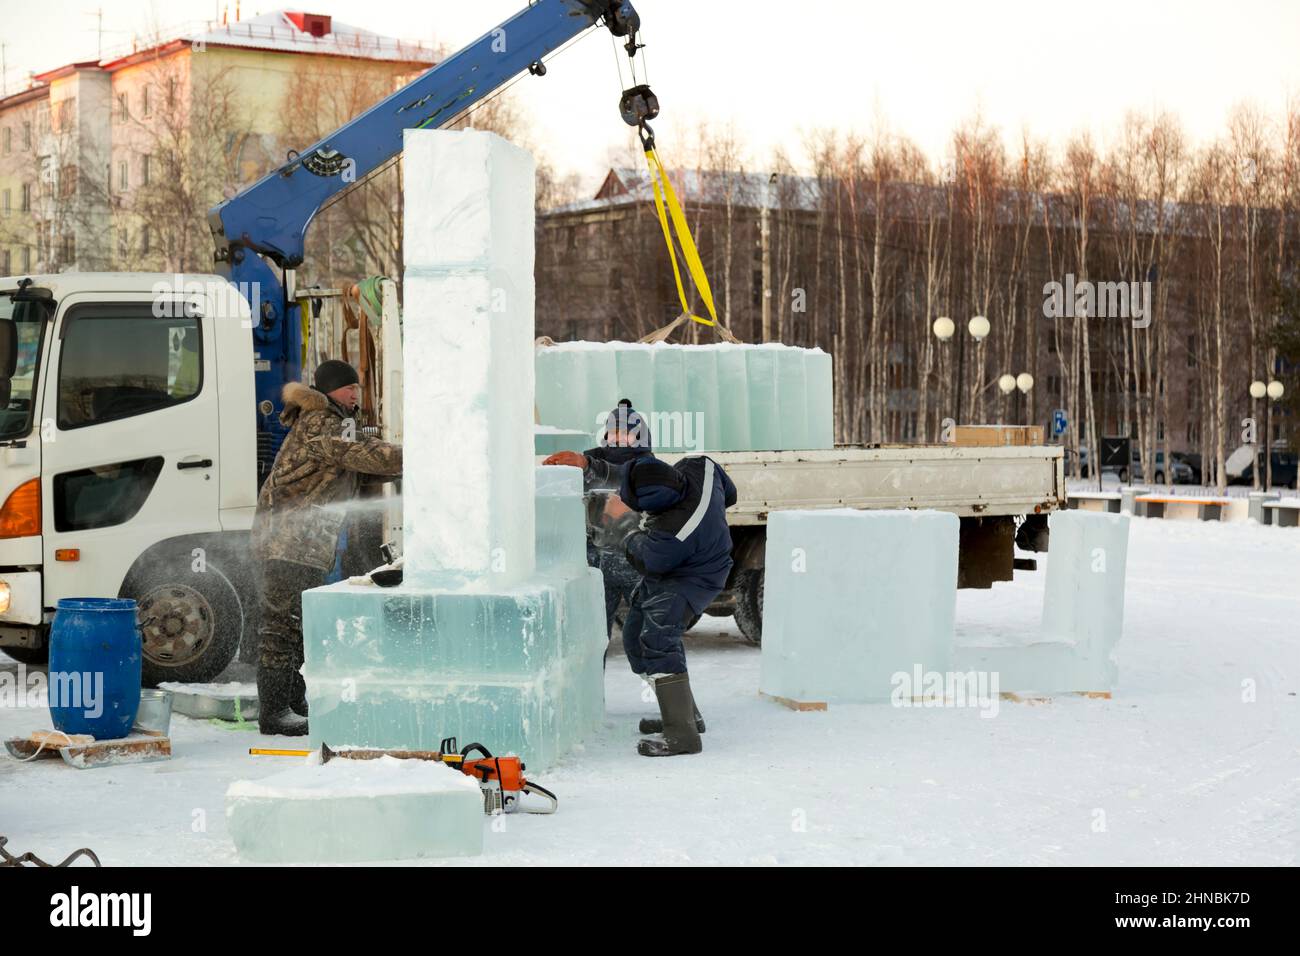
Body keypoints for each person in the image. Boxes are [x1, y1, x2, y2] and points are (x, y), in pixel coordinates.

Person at [549, 447, 736, 757]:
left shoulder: (672, 534)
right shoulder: (700, 466)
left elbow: (649, 559)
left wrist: (622, 528)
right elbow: (729, 493)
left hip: (696, 576)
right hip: (682, 558)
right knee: (634, 635)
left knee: (657, 638)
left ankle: (682, 734)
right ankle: (686, 714)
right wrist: (589, 465)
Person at [250, 359, 402, 735]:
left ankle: (294, 701)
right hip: (287, 541)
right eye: (349, 388)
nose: (355, 395)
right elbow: (362, 454)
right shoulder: (320, 422)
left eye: (357, 388)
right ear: (330, 390)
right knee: (281, 627)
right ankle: (273, 712)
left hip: (306, 544)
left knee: (300, 626)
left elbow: (363, 464)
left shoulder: (336, 423)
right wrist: (424, 455)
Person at [544, 399, 654, 636]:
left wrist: (587, 465)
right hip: (596, 563)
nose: (618, 438)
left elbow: (623, 476)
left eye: (625, 433)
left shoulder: (648, 465)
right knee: (593, 636)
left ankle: (659, 672)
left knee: (648, 634)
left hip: (635, 562)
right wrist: (556, 471)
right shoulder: (590, 458)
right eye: (613, 432)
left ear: (639, 435)